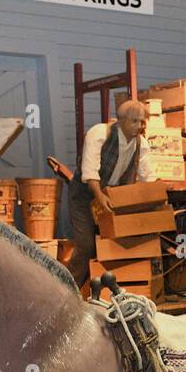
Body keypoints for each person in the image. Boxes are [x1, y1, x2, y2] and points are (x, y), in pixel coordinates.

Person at [66, 98, 153, 286]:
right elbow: (89, 173)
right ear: (120, 120)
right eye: (134, 121)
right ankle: (65, 290)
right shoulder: (99, 134)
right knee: (86, 245)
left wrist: (157, 195)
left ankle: (104, 291)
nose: (139, 126)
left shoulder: (141, 144)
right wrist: (100, 196)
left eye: (142, 122)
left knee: (114, 246)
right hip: (85, 196)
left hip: (113, 198)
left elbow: (148, 177)